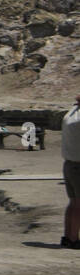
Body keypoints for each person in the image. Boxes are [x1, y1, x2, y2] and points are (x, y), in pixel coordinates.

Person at [62, 95, 80, 248]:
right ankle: (74, 239)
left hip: (69, 164)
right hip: (78, 166)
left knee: (73, 203)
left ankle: (68, 236)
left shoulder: (71, 115)